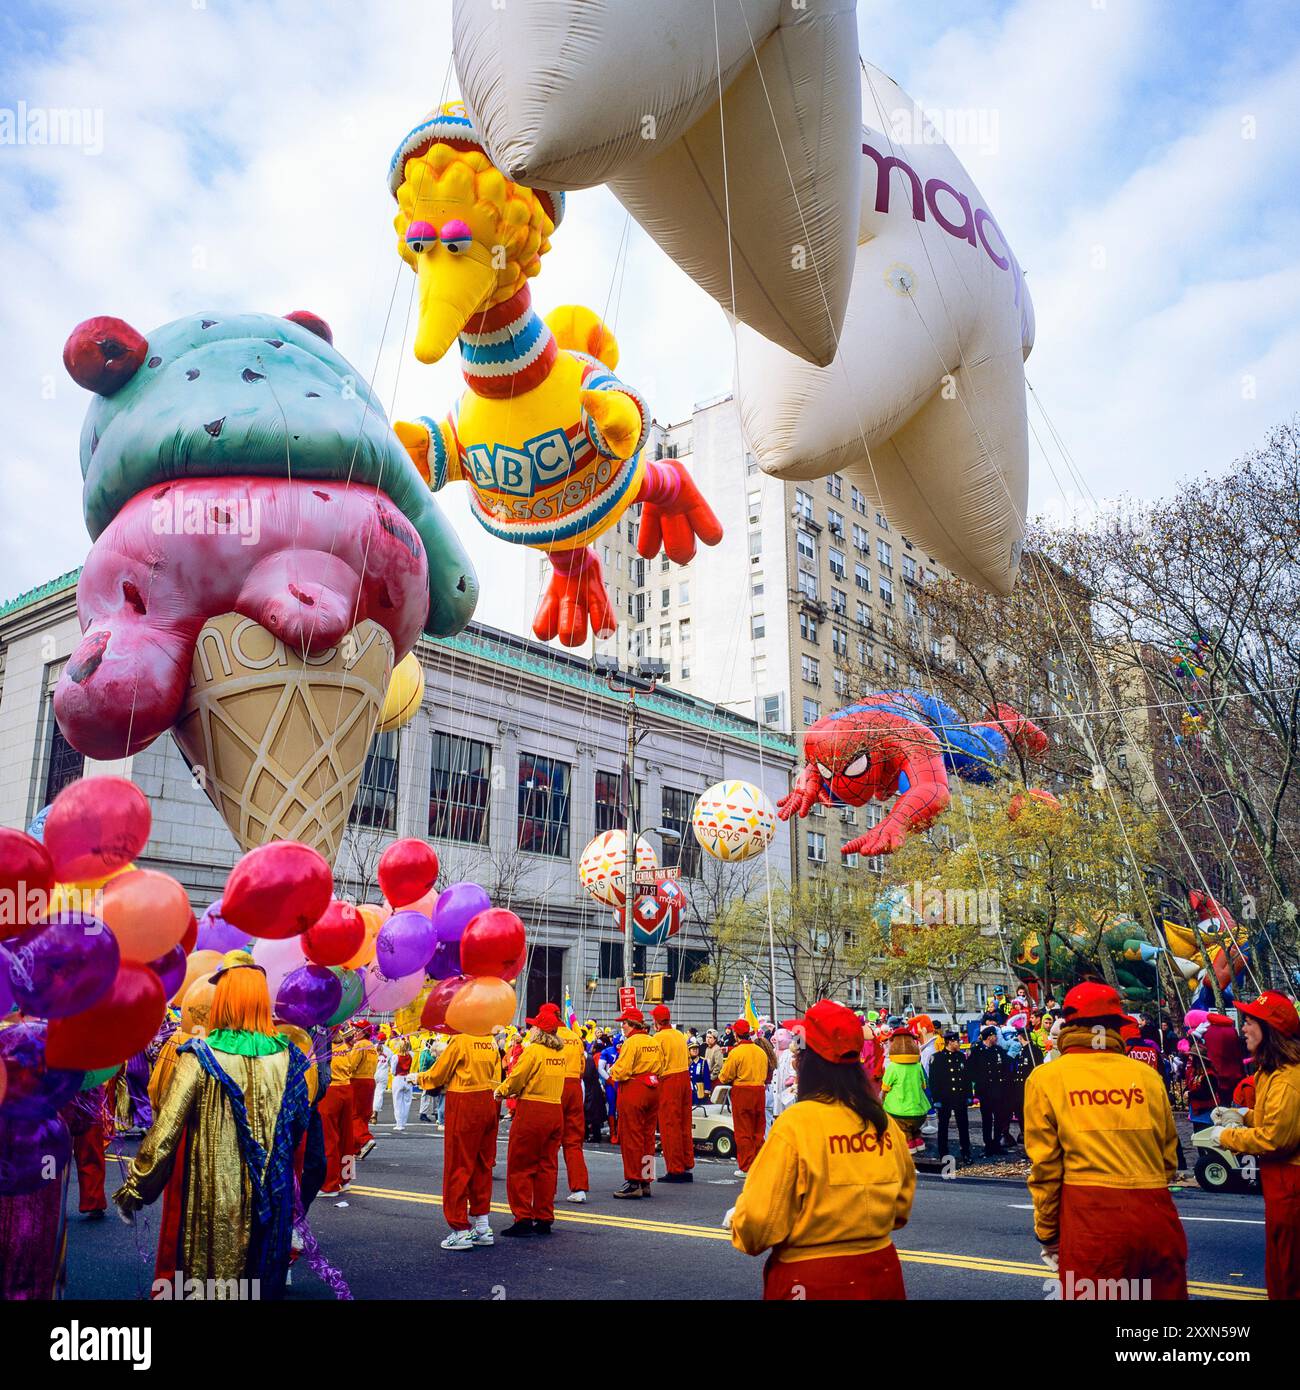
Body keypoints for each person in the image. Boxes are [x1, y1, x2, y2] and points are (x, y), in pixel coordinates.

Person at [113, 951, 316, 1298]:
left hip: (217, 1199)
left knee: (214, 1282)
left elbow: (165, 1133)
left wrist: (135, 1190)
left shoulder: (200, 1056)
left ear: (224, 998)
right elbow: (299, 1125)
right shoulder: (291, 1057)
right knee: (262, 1282)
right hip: (274, 1194)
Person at [728, 1000, 916, 1300]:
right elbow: (901, 1208)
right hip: (882, 1273)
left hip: (811, 1278)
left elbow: (757, 1225)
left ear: (808, 1061)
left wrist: (738, 1223)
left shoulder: (796, 1125)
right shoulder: (883, 1123)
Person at [1023, 981, 1187, 1300]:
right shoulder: (1146, 1077)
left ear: (1068, 1024)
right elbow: (1169, 1161)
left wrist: (1048, 1232)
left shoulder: (1046, 1079)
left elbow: (1045, 1170)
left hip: (1092, 1224)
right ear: (1117, 1027)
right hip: (1156, 1218)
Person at [1212, 991, 1300, 1299]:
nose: (1243, 1028)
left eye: (1249, 1021)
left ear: (1270, 1030)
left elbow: (1277, 1139)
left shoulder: (1287, 1077)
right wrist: (1244, 1116)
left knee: (1289, 1272)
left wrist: (1226, 1137)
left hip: (1291, 1186)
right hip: (1282, 1186)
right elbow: (1275, 1120)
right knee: (1281, 1265)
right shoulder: (1271, 1072)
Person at [413, 1025, 503, 1251]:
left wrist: (418, 1078)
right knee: (482, 1164)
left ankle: (460, 1229)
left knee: (458, 1165)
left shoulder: (461, 1040)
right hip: (486, 1101)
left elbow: (438, 1075)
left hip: (464, 1102)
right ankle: (482, 1226)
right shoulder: (489, 1040)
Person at [495, 1004, 568, 1237]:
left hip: (533, 1111)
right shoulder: (559, 1053)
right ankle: (544, 1217)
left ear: (539, 1031)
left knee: (520, 1166)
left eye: (534, 1026)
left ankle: (523, 1217)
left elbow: (517, 1078)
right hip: (554, 1109)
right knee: (547, 1167)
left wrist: (502, 1091)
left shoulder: (534, 1051)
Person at [609, 1008, 662, 1198]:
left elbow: (622, 1071)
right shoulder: (653, 1040)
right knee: (648, 1137)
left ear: (632, 1024)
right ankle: (646, 1180)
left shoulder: (631, 1042)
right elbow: (661, 1065)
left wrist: (612, 1072)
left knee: (632, 1137)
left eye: (624, 1022)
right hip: (653, 1088)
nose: (622, 1026)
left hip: (635, 1088)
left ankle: (633, 1182)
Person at [718, 1018, 772, 1178]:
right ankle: (758, 1164)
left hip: (742, 1091)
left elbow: (724, 1076)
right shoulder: (760, 1052)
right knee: (758, 1130)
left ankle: (746, 1167)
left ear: (736, 1034)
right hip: (759, 1091)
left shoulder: (736, 1052)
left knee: (743, 1131)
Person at [653, 1004, 694, 1183]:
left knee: (670, 1125)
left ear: (656, 1022)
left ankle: (675, 1168)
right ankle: (686, 1162)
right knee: (684, 1122)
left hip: (668, 1080)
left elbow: (656, 1064)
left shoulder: (658, 1038)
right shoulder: (679, 1035)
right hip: (684, 1078)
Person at [319, 1026, 356, 1197]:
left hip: (331, 1092)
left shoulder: (323, 1047)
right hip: (347, 1089)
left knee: (329, 1138)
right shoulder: (345, 1047)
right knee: (346, 1137)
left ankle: (330, 1184)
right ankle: (346, 1178)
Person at [557, 1015, 590, 1203]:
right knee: (574, 1140)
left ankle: (546, 1190)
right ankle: (579, 1189)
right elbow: (582, 1066)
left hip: (555, 1086)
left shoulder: (549, 1037)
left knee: (549, 1142)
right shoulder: (575, 1037)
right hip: (575, 1085)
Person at [880, 1030, 930, 1151]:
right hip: (919, 1110)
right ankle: (917, 1139)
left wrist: (882, 1098)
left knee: (902, 1128)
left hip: (898, 1111)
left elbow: (885, 1087)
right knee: (915, 1128)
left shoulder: (892, 1067)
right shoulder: (918, 1066)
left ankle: (908, 1142)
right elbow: (924, 1085)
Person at [928, 1031, 973, 1164]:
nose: (959, 1044)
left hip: (959, 1096)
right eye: (957, 1041)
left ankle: (966, 1152)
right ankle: (943, 1153)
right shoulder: (937, 1058)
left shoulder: (961, 1056)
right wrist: (936, 1099)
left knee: (963, 1126)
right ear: (950, 1042)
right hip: (945, 1097)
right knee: (943, 1126)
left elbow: (966, 1078)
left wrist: (969, 1095)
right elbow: (934, 1081)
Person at [970, 1025, 1011, 1155]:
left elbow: (1006, 1067)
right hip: (985, 1092)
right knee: (986, 1120)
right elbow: (971, 1070)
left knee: (999, 1118)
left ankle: (997, 1143)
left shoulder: (998, 1050)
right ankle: (988, 1145)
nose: (997, 1038)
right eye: (995, 1036)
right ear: (989, 1037)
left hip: (998, 1091)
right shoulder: (977, 1051)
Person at [348, 1023, 379, 1158]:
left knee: (353, 1114)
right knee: (364, 1115)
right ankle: (357, 1147)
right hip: (370, 1080)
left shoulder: (360, 1045)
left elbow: (351, 1065)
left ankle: (365, 1139)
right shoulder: (372, 1046)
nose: (355, 1032)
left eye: (357, 1030)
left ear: (363, 1032)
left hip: (358, 1081)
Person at [583, 1045, 608, 1142]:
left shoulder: (588, 1059)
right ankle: (589, 1135)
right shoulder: (588, 1057)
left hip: (591, 1089)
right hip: (591, 1088)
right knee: (590, 1113)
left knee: (593, 1114)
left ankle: (594, 1136)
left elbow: (588, 1074)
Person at [389, 1037, 414, 1131]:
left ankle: (399, 1123)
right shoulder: (411, 1055)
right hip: (407, 1078)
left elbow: (392, 1071)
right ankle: (403, 1122)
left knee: (397, 1102)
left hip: (398, 1078)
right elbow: (411, 1050)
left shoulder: (395, 1057)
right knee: (407, 1102)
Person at [689, 1041, 713, 1108]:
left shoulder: (702, 1062)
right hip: (689, 1089)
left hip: (699, 1089)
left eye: (696, 1049)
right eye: (693, 1049)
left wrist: (706, 1090)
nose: (695, 1050)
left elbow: (706, 1077)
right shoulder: (686, 1061)